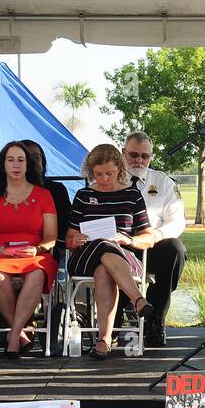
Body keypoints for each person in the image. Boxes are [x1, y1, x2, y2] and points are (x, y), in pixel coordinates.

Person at [65, 144, 158, 359]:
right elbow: (69, 238)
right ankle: (138, 300)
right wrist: (76, 240)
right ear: (91, 172)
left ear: (119, 168)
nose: (104, 179)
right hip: (85, 255)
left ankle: (104, 340)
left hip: (122, 256)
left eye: (109, 173)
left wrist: (129, 239)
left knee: (105, 264)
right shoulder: (83, 195)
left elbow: (149, 238)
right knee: (103, 246)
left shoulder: (132, 195)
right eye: (98, 174)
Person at [0, 141, 59, 357]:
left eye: (21, 160)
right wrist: (1, 250)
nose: (16, 165)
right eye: (10, 159)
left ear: (27, 164)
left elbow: (51, 237)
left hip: (34, 254)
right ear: (3, 164)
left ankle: (13, 336)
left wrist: (37, 249)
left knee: (38, 273)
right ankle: (19, 333)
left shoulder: (44, 196)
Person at [123, 131, 186, 347]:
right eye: (133, 155)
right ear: (123, 153)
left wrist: (156, 235)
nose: (139, 161)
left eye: (144, 156)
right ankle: (116, 318)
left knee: (175, 249)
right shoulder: (108, 178)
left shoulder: (163, 181)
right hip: (119, 244)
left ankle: (155, 319)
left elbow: (177, 222)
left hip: (152, 244)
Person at [19, 139, 73, 255]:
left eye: (36, 157)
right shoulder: (1, 192)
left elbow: (64, 226)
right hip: (8, 247)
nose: (32, 162)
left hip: (50, 248)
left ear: (42, 163)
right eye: (26, 158)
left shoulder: (56, 190)